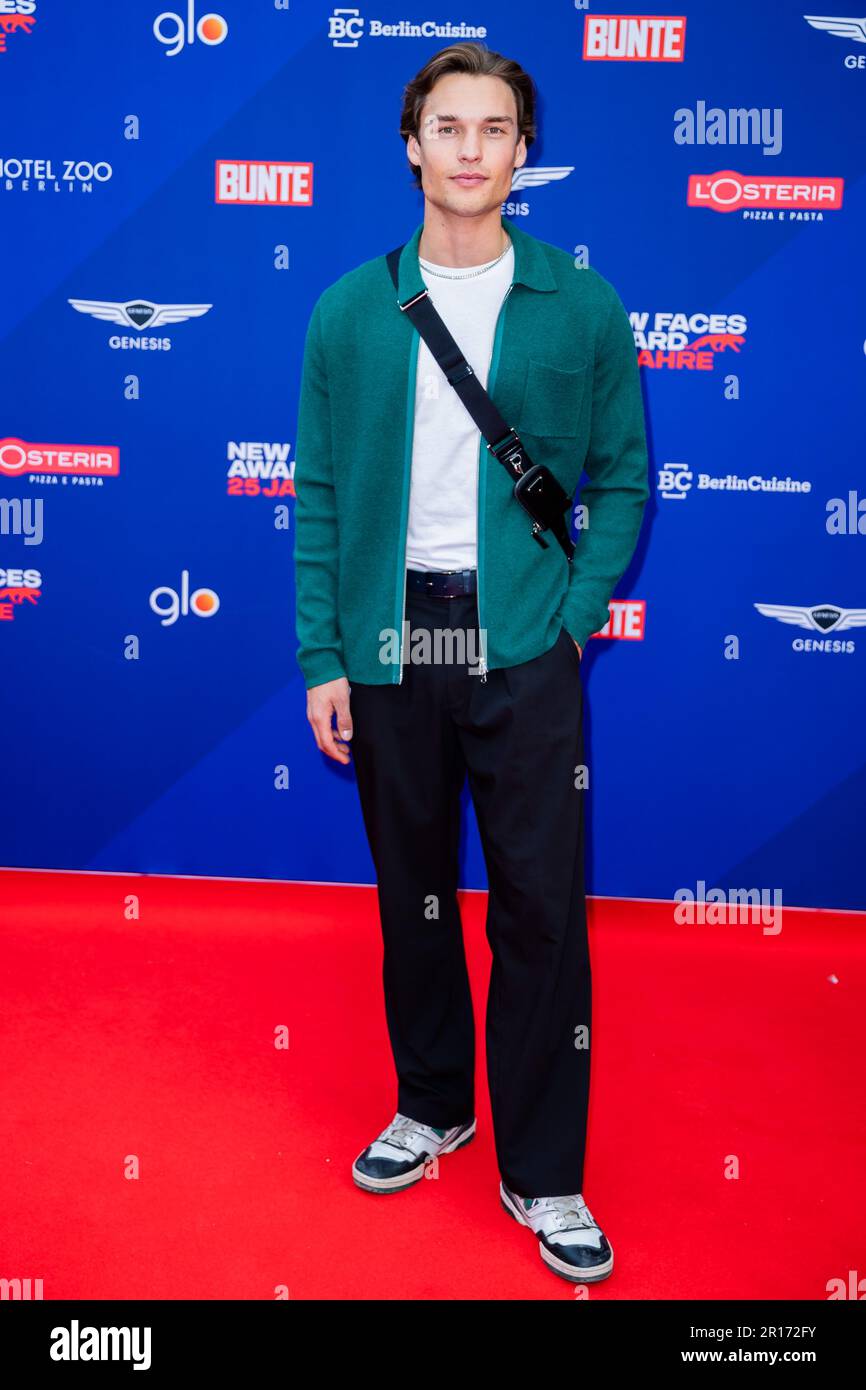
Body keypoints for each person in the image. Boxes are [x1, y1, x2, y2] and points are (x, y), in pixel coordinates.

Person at [293, 41, 649, 1285]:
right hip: (399, 636)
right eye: (445, 126)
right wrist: (323, 652)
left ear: (520, 154)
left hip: (520, 640)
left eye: (492, 129)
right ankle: (434, 1101)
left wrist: (573, 612)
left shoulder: (579, 304)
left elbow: (623, 478)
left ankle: (544, 1171)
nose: (467, 149)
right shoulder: (349, 307)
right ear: (411, 144)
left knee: (542, 910)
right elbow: (322, 492)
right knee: (417, 892)